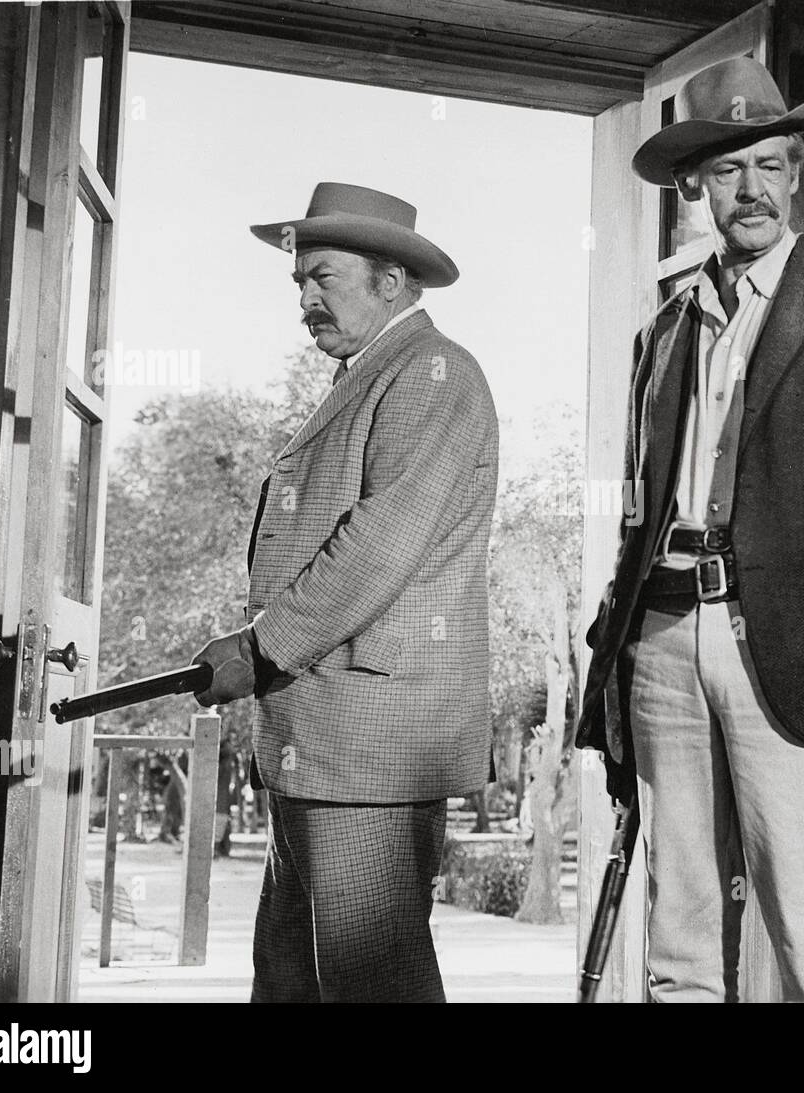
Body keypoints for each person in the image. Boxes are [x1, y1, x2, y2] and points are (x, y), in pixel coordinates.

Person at [576, 57, 804, 1002]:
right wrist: (611, 669)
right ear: (695, 185)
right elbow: (640, 515)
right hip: (663, 644)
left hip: (801, 665)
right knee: (681, 945)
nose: (751, 191)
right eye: (728, 170)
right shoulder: (661, 333)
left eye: (771, 166)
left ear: (796, 173)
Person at [191, 183, 498, 1002]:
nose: (305, 299)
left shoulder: (432, 373)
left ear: (391, 281)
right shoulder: (371, 376)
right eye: (299, 281)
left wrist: (258, 648)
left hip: (370, 748)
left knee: (371, 988)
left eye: (322, 276)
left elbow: (375, 549)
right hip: (319, 739)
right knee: (290, 979)